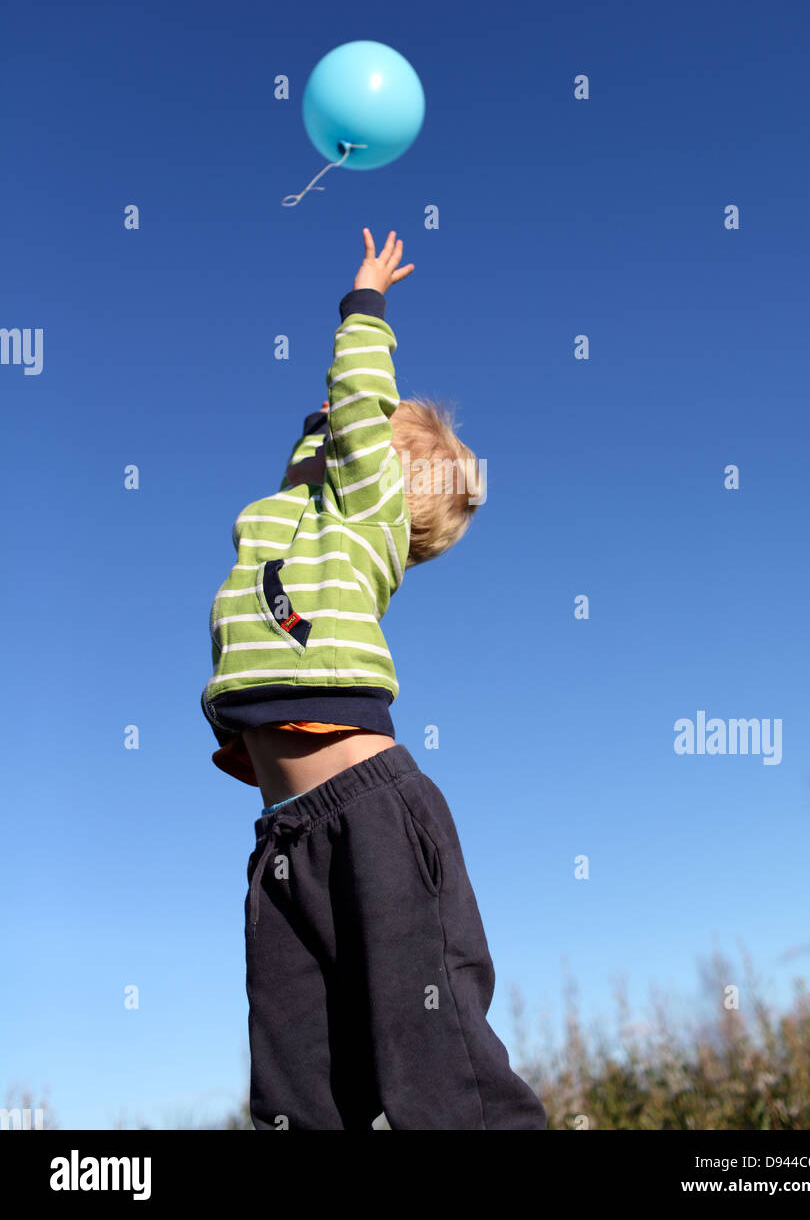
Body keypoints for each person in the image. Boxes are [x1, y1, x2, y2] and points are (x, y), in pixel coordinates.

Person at [202, 228, 547, 1130]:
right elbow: (326, 425)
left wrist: (365, 306)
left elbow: (354, 406)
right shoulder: (291, 520)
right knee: (298, 1085)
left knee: (439, 1065)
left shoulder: (362, 516)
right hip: (286, 841)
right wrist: (320, 420)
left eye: (351, 434)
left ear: (385, 481)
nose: (325, 432)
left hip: (373, 817)